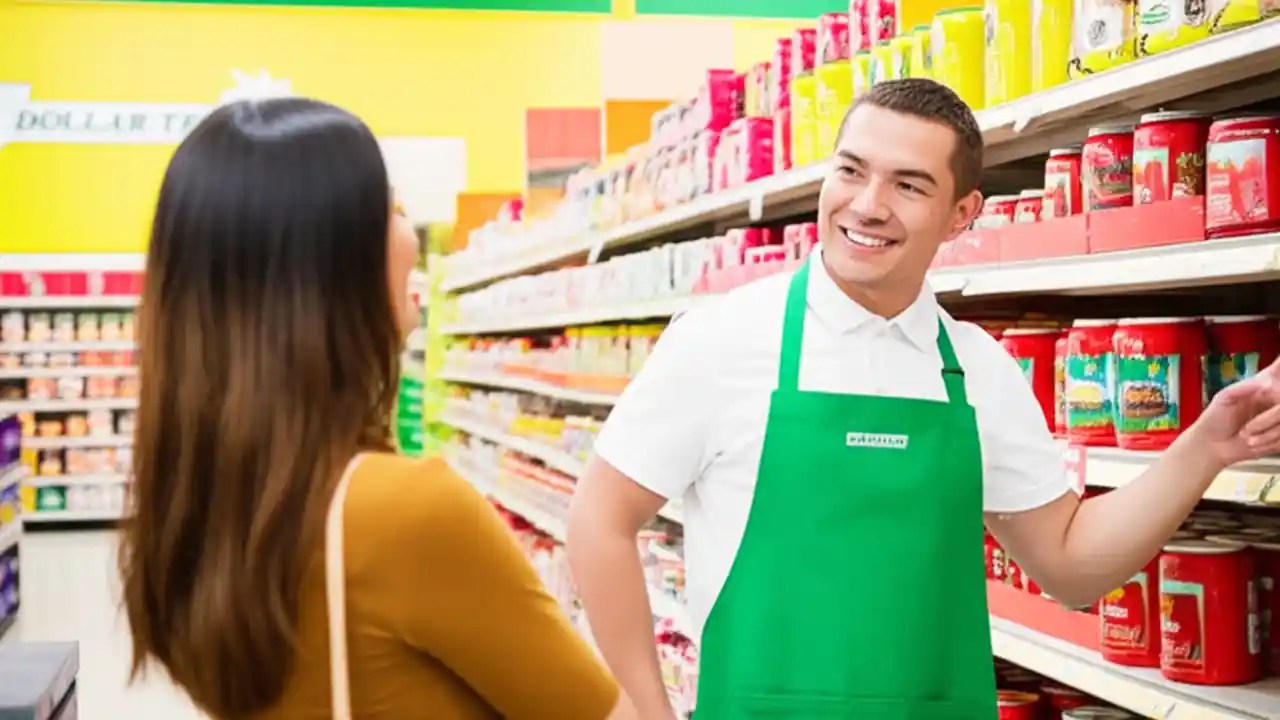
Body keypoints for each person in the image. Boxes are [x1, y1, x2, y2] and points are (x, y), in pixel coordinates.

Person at [567, 78, 1280, 719]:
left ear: (960, 212)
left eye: (909, 186)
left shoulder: (980, 370)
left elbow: (1069, 565)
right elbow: (600, 517)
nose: (867, 206)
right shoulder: (721, 341)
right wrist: (648, 707)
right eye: (851, 172)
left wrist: (1204, 448)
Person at [119, 98, 633, 720]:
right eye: (390, 207)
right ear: (326, 268)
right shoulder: (406, 514)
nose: (410, 234)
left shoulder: (194, 502)